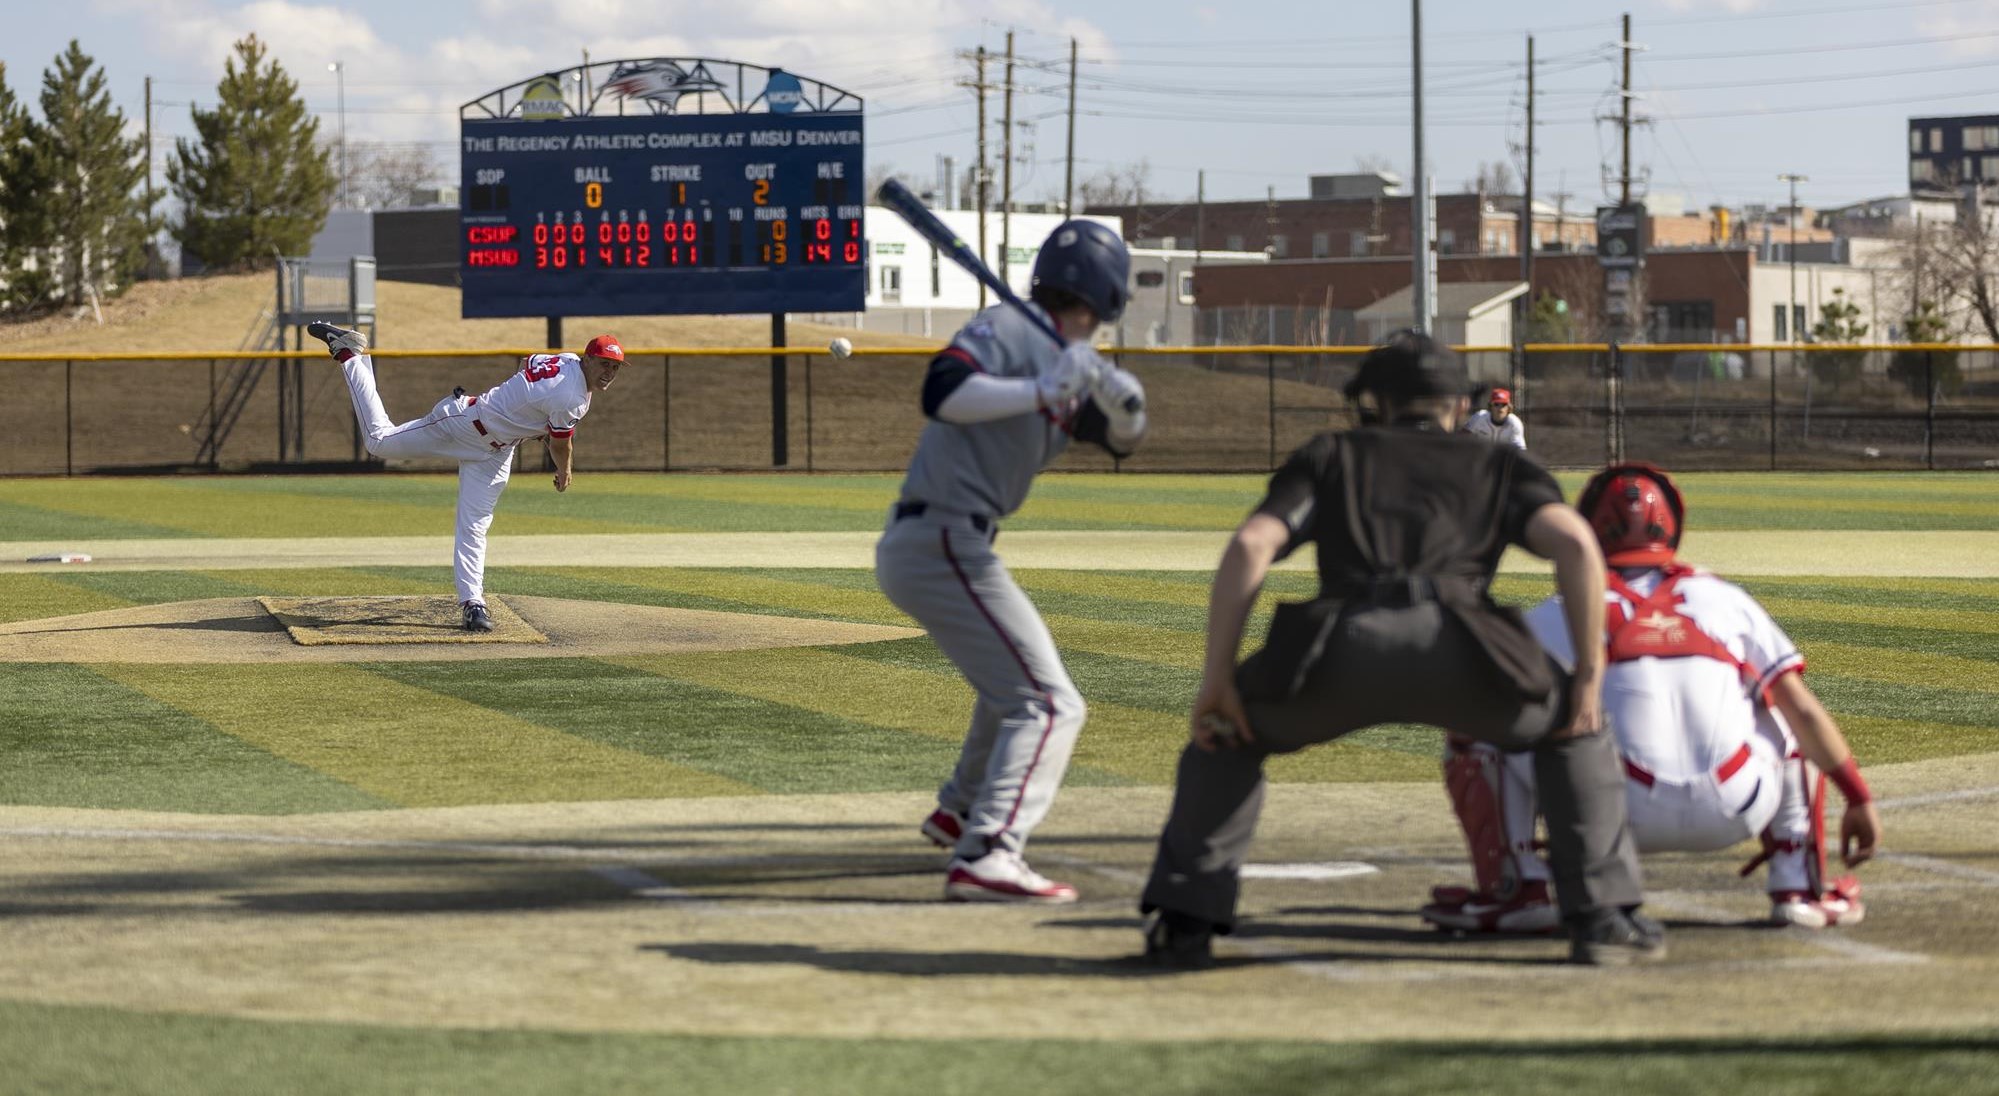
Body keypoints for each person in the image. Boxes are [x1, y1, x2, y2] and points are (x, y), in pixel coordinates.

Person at [1140, 331, 1659, 968]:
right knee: (1572, 733)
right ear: (1455, 404)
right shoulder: (1496, 462)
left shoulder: (1332, 453)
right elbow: (1577, 546)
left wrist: (1217, 678)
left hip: (1338, 647)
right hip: (1470, 651)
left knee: (1228, 734)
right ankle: (1602, 918)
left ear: (1374, 401)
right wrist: (1585, 678)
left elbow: (1251, 546)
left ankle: (1185, 922)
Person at [1422, 463, 1881, 933]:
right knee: (1784, 709)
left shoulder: (1559, 611)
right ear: (1673, 526)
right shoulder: (1723, 598)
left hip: (1611, 817)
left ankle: (1518, 889)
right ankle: (1798, 889)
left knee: (1479, 733)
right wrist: (1858, 797)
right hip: (1736, 807)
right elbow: (1803, 710)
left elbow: (1483, 702)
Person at [874, 221, 1148, 904]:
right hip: (941, 537)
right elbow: (941, 392)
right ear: (1108, 290)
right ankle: (990, 852)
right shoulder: (1009, 327)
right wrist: (1044, 389)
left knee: (1014, 686)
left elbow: (1121, 441)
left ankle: (961, 810)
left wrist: (1120, 401)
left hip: (953, 542)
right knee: (1051, 704)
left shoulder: (1070, 356)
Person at [307, 322, 623, 631]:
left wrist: (524, 417)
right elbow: (560, 444)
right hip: (463, 424)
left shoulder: (567, 359)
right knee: (378, 441)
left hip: (497, 450)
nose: (609, 373)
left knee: (474, 525)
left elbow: (529, 361)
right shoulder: (572, 398)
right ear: (588, 359)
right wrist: (564, 468)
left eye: (616, 367)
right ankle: (350, 354)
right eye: (605, 364)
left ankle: (473, 603)